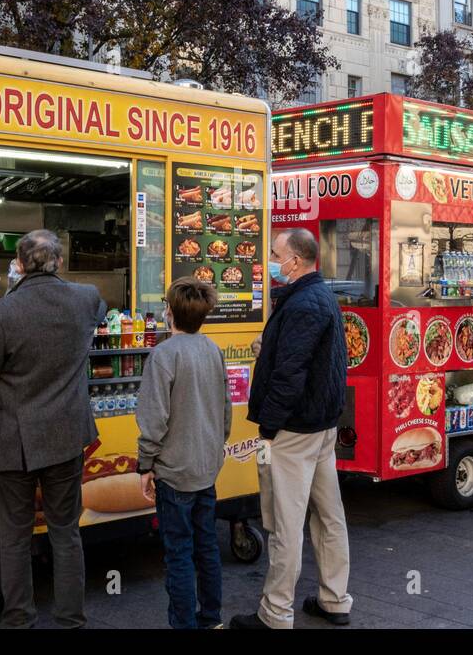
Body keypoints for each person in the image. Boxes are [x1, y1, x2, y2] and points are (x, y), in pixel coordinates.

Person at [0, 229, 106, 628]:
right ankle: (70, 621)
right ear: (59, 262)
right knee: (66, 533)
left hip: (15, 441)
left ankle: (19, 620)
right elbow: (97, 316)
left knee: (14, 536)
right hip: (66, 437)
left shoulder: (2, 313)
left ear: (20, 264)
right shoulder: (86, 298)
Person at [230, 227, 353, 629]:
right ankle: (335, 600)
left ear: (294, 261)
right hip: (321, 426)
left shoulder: (303, 304)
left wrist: (268, 426)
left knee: (285, 524)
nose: (271, 261)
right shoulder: (320, 296)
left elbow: (291, 374)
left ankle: (275, 613)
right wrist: (267, 352)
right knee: (329, 516)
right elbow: (311, 358)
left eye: (275, 254)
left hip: (295, 430)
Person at [136, 277, 233, 629]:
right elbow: (225, 411)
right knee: (206, 547)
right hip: (206, 467)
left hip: (174, 471)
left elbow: (153, 421)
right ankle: (211, 618)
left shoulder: (163, 355)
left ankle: (183, 623)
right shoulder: (213, 350)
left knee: (178, 553)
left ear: (170, 312)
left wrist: (145, 465)